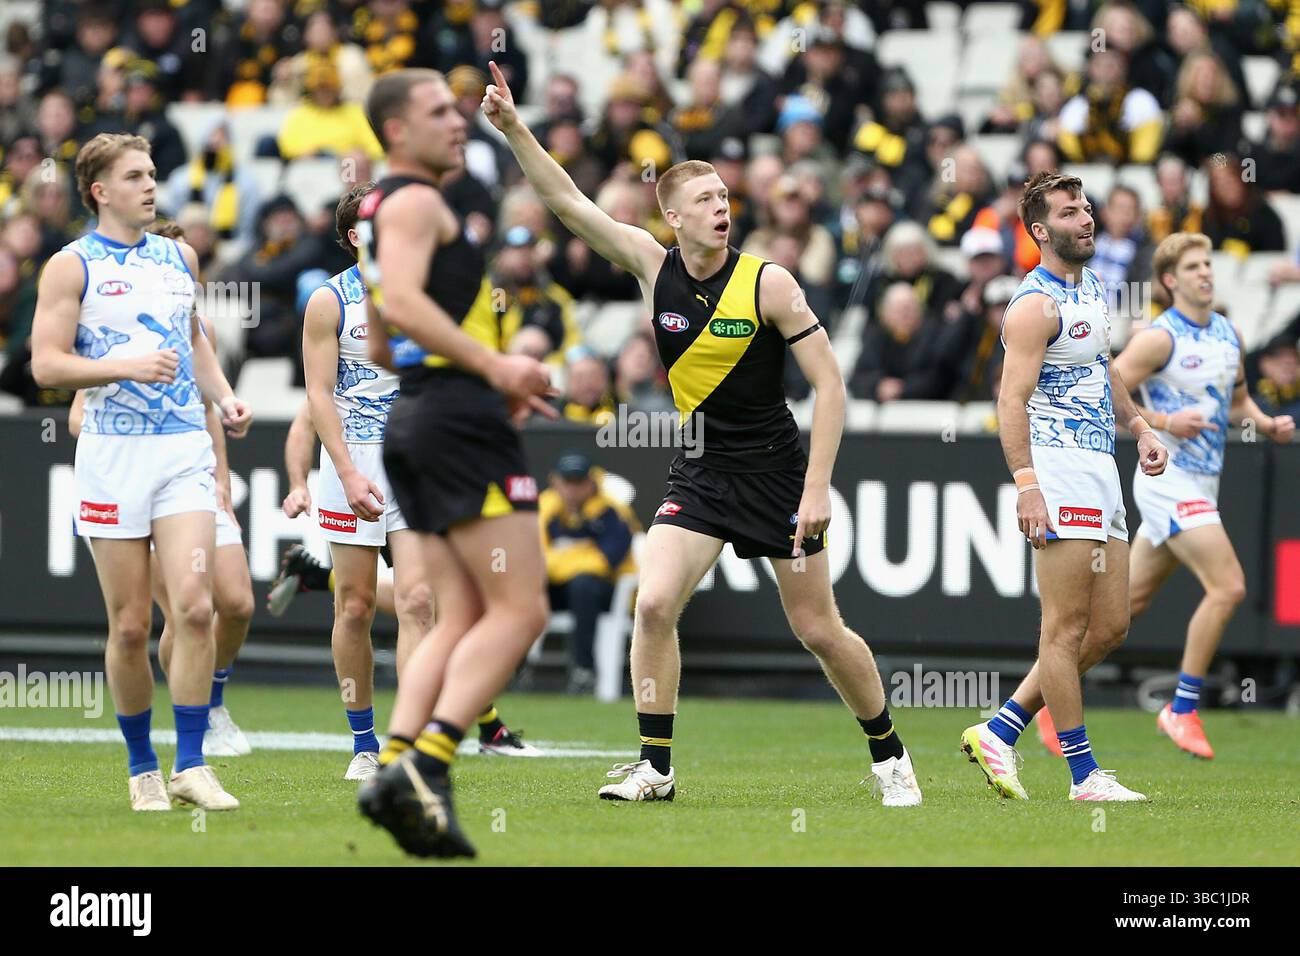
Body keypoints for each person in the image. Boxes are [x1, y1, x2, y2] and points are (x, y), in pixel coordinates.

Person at [484, 60, 923, 807]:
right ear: (675, 218)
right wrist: (515, 127)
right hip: (702, 472)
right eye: (705, 199)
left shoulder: (770, 282)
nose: (722, 206)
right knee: (652, 604)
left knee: (818, 629)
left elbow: (831, 385)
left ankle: (891, 757)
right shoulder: (651, 267)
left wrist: (816, 489)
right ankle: (655, 767)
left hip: (780, 475)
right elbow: (566, 202)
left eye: (725, 195)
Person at [351, 68, 555, 858]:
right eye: (438, 111)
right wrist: (495, 370)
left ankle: (399, 762)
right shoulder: (416, 201)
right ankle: (430, 761)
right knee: (522, 610)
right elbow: (399, 305)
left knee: (459, 613)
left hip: (416, 415)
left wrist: (468, 374)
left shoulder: (375, 209)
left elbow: (376, 339)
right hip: (459, 421)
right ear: (396, 131)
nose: (456, 120)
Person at [30, 133, 252, 811]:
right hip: (112, 456)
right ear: (100, 191)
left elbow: (191, 337)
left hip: (182, 448)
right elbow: (46, 365)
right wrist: (122, 366)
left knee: (196, 606)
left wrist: (221, 394)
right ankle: (140, 765)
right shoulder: (72, 267)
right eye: (135, 176)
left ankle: (191, 762)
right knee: (129, 627)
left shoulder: (179, 255)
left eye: (153, 173)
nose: (152, 185)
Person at [961, 170, 1168, 802]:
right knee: (1065, 627)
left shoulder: (1095, 289)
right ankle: (1084, 776)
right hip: (1056, 467)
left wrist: (1139, 424)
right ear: (1041, 231)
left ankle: (1000, 729)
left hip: (1101, 467)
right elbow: (1011, 399)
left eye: (1087, 208)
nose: (1087, 219)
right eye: (1072, 212)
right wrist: (1027, 485)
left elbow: (1103, 370)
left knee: (1109, 628)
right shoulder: (1033, 307)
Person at [1098, 232, 1294, 759]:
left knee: (1122, 610)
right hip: (1168, 479)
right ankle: (1181, 708)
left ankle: (1043, 703)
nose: (1205, 272)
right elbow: (1109, 385)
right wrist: (1162, 421)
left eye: (1207, 263)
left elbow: (1237, 402)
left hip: (1203, 482)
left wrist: (1264, 423)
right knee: (1228, 587)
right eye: (1192, 266)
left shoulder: (1229, 333)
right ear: (1169, 280)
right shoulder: (1161, 338)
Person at [539, 450, 641, 694]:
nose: (572, 489)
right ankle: (515, 667)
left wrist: (560, 560)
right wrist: (579, 554)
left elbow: (605, 562)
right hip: (557, 587)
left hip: (607, 592)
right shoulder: (545, 508)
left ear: (591, 482)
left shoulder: (612, 513)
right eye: (567, 482)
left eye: (579, 482)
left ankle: (584, 670)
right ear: (556, 482)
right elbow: (533, 557)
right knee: (522, 584)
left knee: (583, 584)